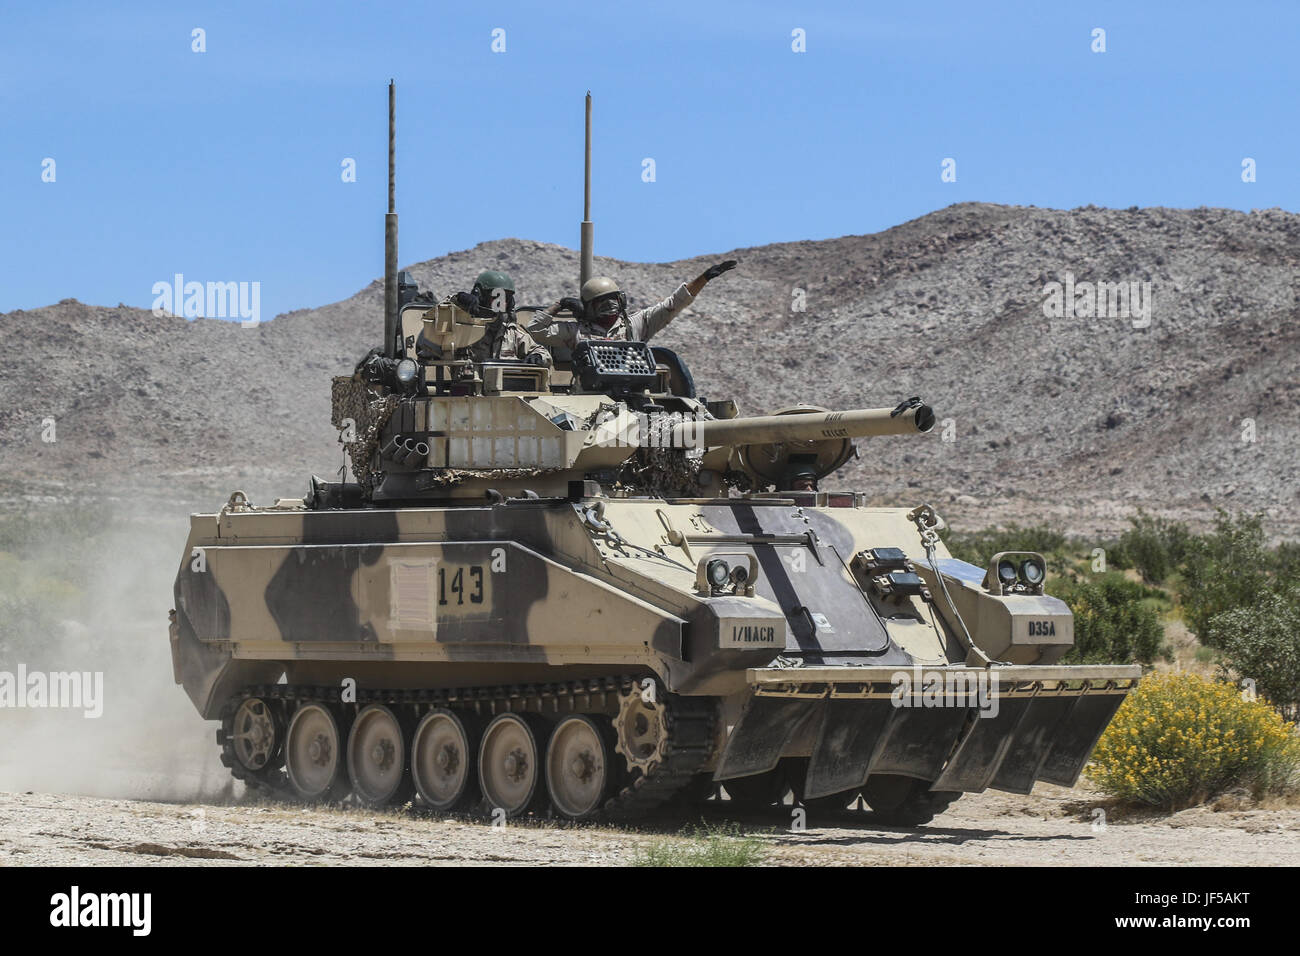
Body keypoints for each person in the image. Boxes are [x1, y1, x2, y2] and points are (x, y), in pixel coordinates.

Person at [528, 260, 738, 351]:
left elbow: (675, 303)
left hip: (631, 397)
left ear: (621, 300)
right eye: (601, 301)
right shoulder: (574, 331)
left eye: (613, 299)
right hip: (589, 398)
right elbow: (534, 331)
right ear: (588, 307)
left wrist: (704, 278)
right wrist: (558, 305)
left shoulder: (636, 325)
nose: (610, 305)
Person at [419, 270, 550, 366]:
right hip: (468, 391)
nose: (501, 302)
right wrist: (457, 300)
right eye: (496, 296)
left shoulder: (512, 333)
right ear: (481, 296)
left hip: (506, 391)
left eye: (506, 298)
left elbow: (542, 352)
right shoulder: (462, 328)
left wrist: (538, 357)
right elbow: (427, 342)